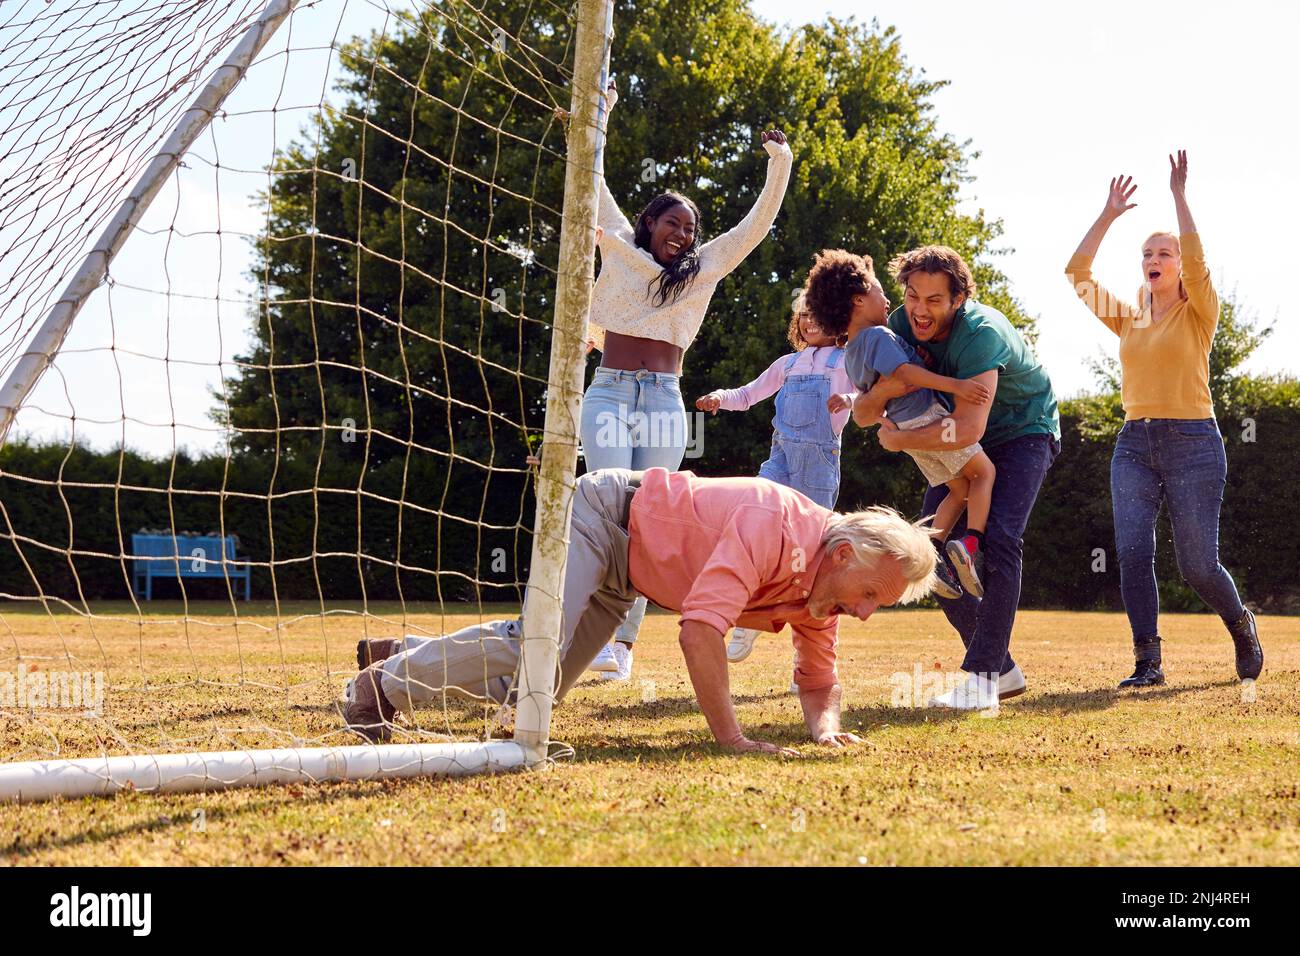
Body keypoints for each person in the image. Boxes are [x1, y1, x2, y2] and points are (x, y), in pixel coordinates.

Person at [341, 467, 938, 752]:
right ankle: (378, 688)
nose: (863, 614)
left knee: (529, 689)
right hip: (604, 514)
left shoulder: (823, 594)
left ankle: (405, 653)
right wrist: (732, 738)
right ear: (839, 554)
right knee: (537, 643)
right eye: (869, 596)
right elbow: (700, 631)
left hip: (632, 572)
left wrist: (825, 730)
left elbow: (818, 679)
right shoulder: (771, 522)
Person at [581, 78, 794, 682]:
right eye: (673, 223)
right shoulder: (621, 245)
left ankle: (620, 647)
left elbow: (753, 229)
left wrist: (778, 164)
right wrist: (602, 108)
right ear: (649, 223)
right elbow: (589, 179)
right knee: (606, 506)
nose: (683, 235)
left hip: (664, 400)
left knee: (651, 513)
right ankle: (588, 625)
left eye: (691, 229)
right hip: (611, 389)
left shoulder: (700, 272)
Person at [805, 245, 1060, 710]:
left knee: (1002, 538)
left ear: (958, 299)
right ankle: (1000, 669)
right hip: (952, 435)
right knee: (928, 553)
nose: (919, 310)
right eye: (912, 295)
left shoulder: (980, 334)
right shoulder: (895, 324)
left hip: (1022, 432)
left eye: (934, 300)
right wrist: (884, 392)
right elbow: (864, 412)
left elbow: (968, 428)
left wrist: (902, 440)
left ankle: (982, 680)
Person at [1064, 151, 1263, 688]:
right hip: (1134, 444)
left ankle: (1240, 622)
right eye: (1147, 253)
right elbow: (1076, 274)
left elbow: (1198, 261)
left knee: (1197, 566)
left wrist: (1179, 197)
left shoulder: (1200, 312)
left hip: (1194, 442)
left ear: (1178, 265)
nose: (1154, 259)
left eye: (1164, 253)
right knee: (1131, 552)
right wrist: (1108, 214)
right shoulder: (1127, 317)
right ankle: (1148, 663)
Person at [803, 250, 996, 600]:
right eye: (879, 291)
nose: (888, 299)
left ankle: (929, 555)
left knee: (959, 490)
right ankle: (971, 544)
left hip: (904, 431)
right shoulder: (878, 337)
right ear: (859, 300)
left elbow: (874, 391)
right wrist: (957, 385)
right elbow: (906, 376)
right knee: (984, 474)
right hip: (927, 420)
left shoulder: (851, 352)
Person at [694, 293, 857, 666]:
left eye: (817, 315)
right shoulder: (788, 364)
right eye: (803, 315)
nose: (808, 321)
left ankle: (811, 655)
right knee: (756, 527)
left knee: (814, 557)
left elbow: (868, 392)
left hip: (818, 465)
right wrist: (721, 397)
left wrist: (849, 400)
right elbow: (749, 394)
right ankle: (750, 619)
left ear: (838, 321)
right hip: (780, 460)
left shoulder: (845, 361)